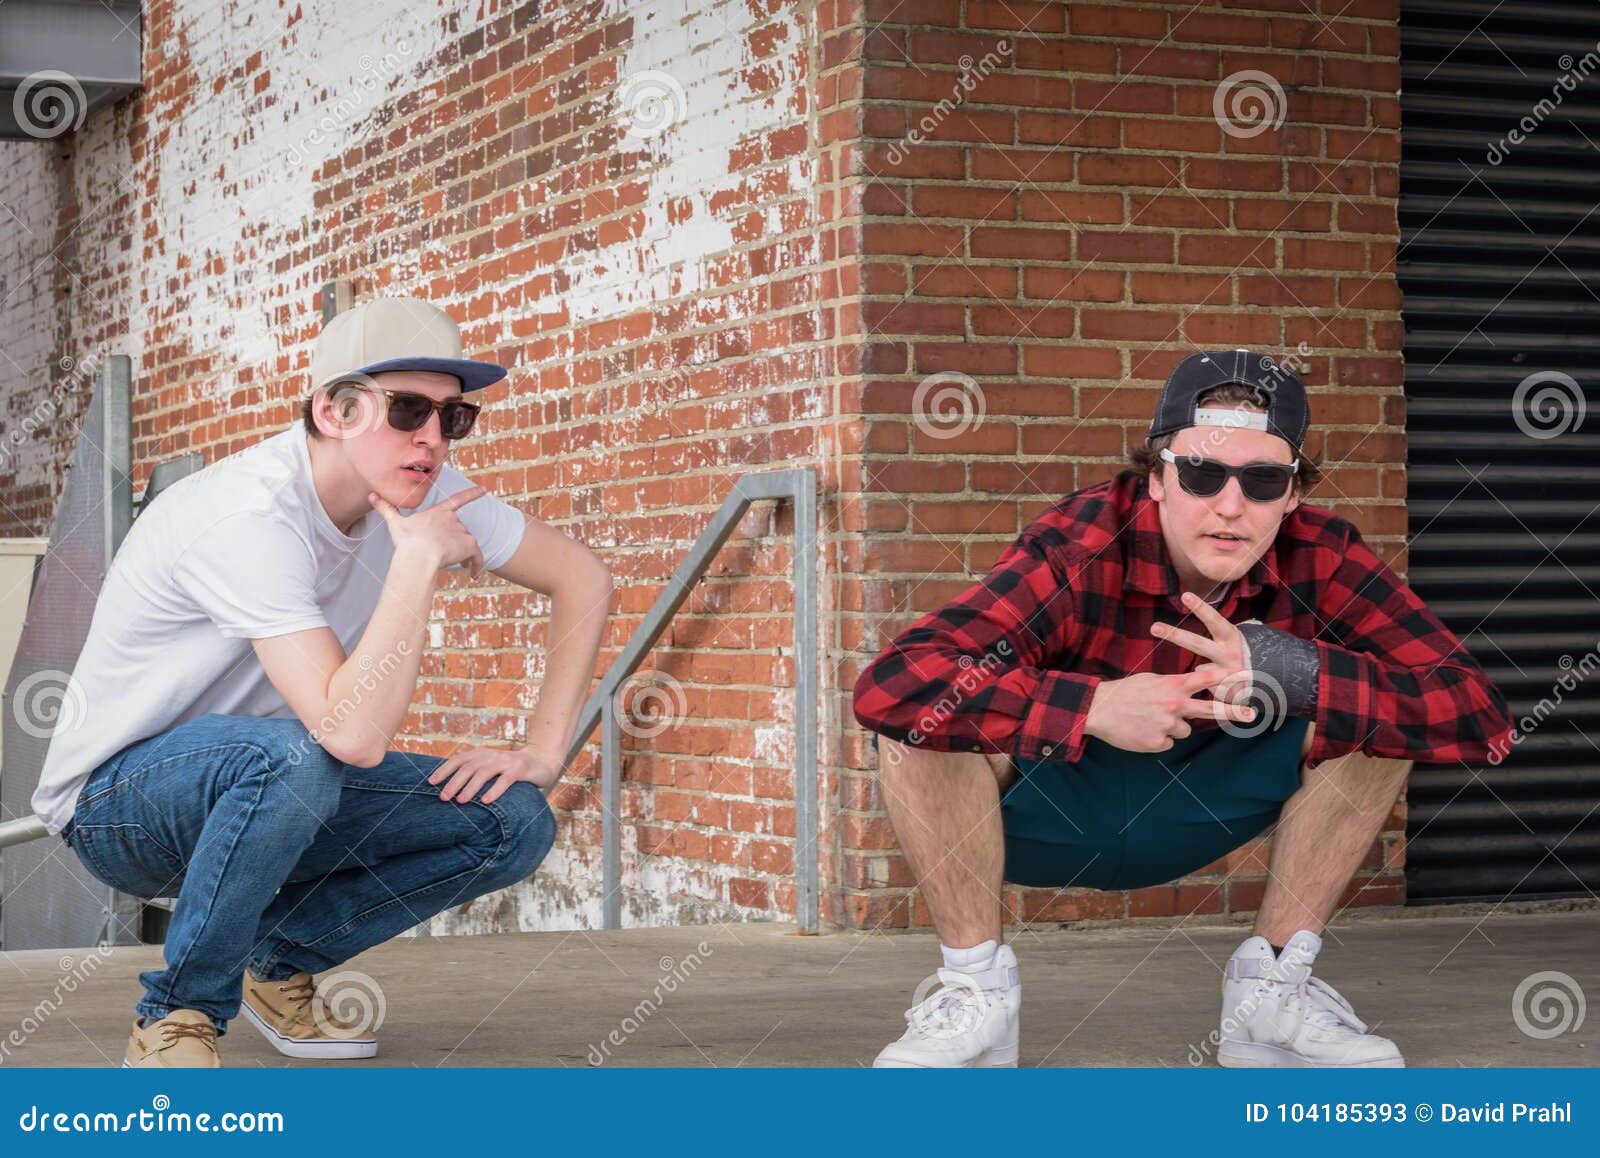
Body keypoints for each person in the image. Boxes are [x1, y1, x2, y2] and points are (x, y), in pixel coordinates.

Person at [852, 349, 1512, 1069]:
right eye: (1201, 474)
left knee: (1374, 712)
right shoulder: (1079, 543)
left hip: (1205, 803)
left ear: (1292, 494)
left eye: (1262, 481)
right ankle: (977, 999)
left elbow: (1480, 714)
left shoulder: (1321, 554)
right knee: (917, 728)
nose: (1231, 506)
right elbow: (891, 683)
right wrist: (1091, 705)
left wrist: (1292, 669)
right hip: (1054, 805)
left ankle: (1271, 997)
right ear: (1157, 478)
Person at [32, 297, 614, 1067]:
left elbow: (584, 578)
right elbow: (354, 735)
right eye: (408, 410)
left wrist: (545, 750)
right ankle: (178, 1017)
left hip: (277, 794)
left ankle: (281, 960)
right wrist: (414, 562)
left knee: (514, 819)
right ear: (334, 411)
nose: (433, 439)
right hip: (122, 808)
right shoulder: (248, 514)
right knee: (293, 756)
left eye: (454, 417)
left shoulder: (428, 490)